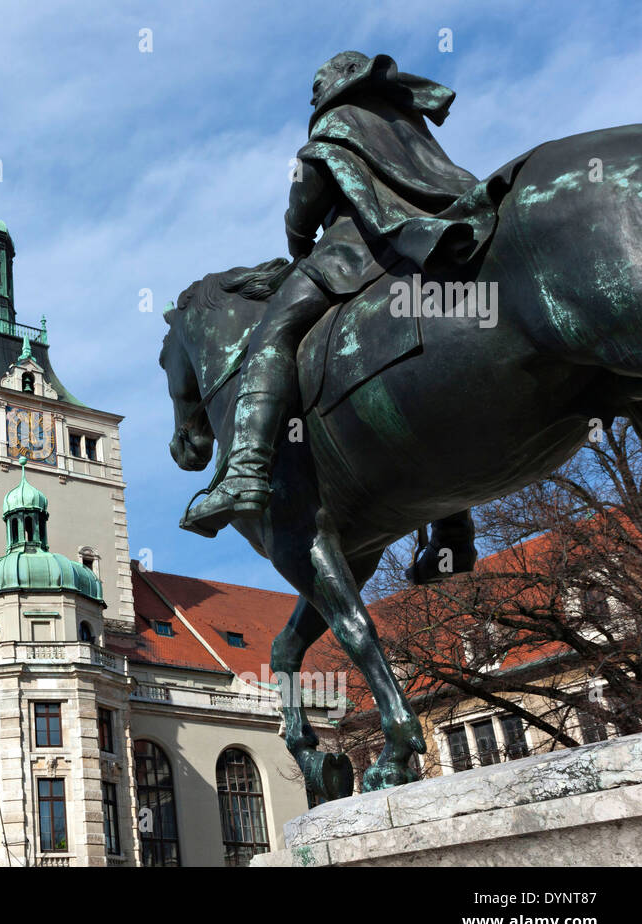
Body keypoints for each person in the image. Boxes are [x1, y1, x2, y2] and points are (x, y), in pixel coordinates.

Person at [188, 52, 505, 553]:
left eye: (319, 83)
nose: (314, 94)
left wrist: (296, 239)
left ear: (342, 80)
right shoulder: (404, 120)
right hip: (429, 240)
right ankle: (453, 524)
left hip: (357, 249)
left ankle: (245, 470)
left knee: (272, 337)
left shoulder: (334, 126)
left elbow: (304, 201)